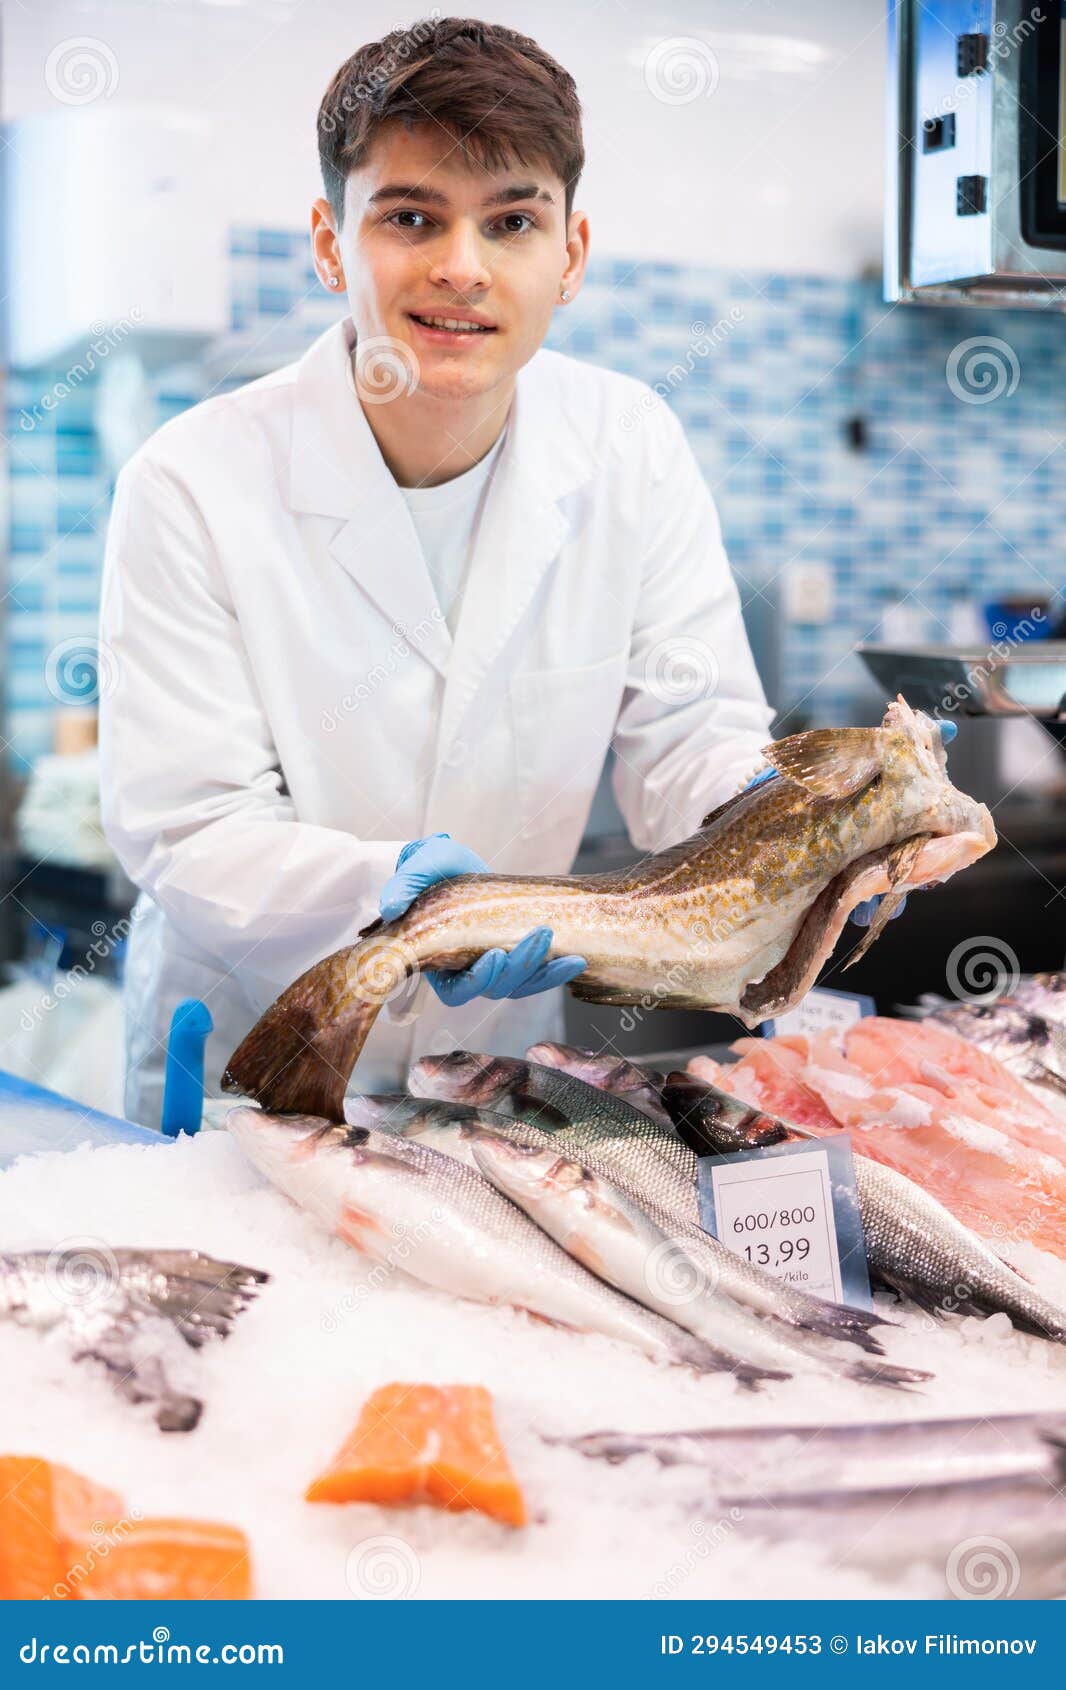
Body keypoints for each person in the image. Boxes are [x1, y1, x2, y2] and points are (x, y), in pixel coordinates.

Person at [99, 18, 864, 1129]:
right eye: (411, 217)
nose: (463, 266)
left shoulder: (629, 444)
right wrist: (390, 897)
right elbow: (190, 825)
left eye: (511, 221)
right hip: (243, 1059)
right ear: (329, 243)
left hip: (487, 1061)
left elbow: (689, 737)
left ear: (571, 255)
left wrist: (795, 813)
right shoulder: (192, 480)